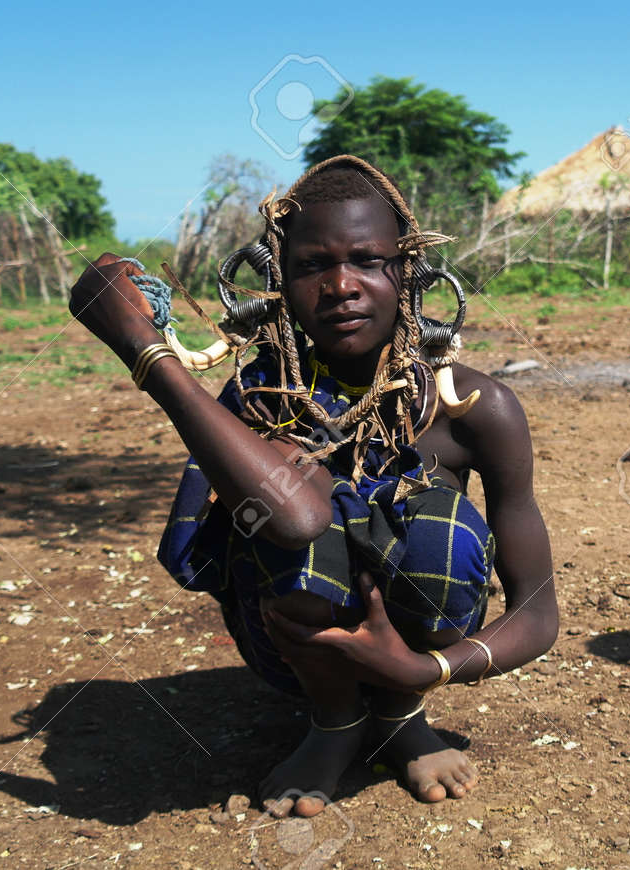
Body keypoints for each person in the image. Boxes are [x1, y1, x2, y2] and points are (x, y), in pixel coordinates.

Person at [68, 155, 557, 819]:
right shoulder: (257, 400)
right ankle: (335, 720)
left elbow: (538, 613)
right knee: (290, 511)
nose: (341, 286)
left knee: (442, 532)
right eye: (311, 266)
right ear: (277, 282)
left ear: (410, 271)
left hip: (424, 644)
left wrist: (427, 671)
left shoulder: (475, 408)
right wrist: (150, 357)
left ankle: (399, 715)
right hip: (286, 648)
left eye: (369, 260)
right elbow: (296, 520)